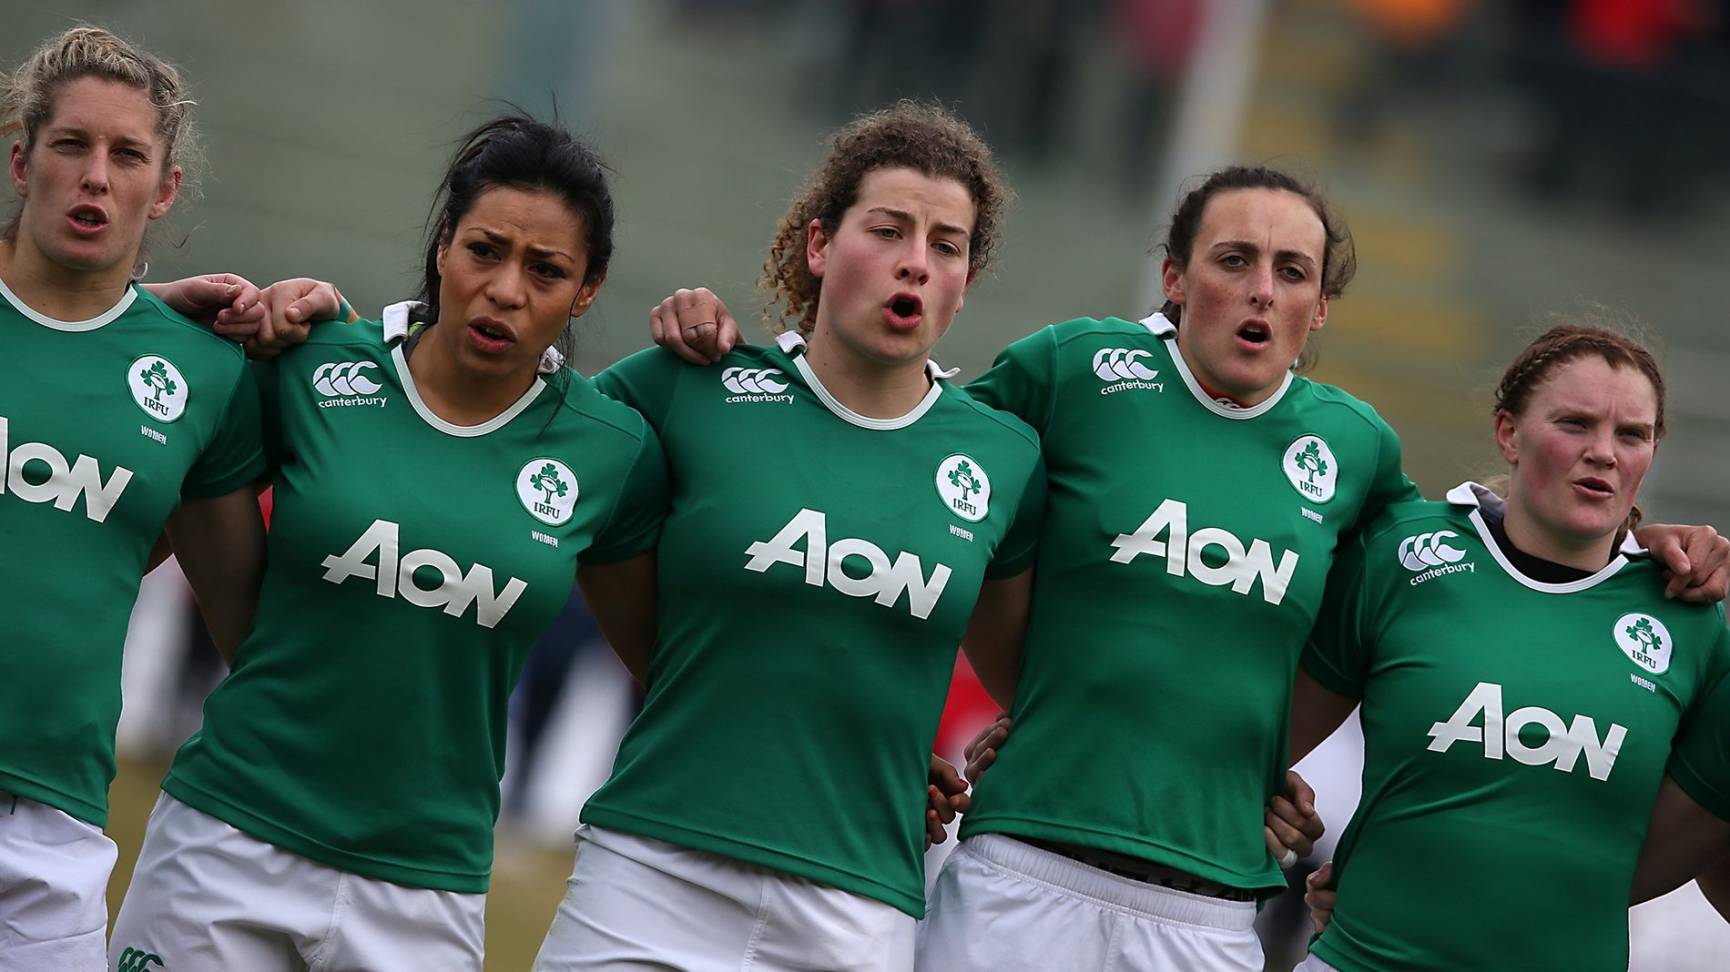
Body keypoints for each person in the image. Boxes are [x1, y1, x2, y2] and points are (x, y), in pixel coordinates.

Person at [648, 166, 1730, 971]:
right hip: (1023, 865)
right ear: (1173, 278)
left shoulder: (1354, 452)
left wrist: (1638, 537)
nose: (1260, 291)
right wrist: (755, 356)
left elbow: (1486, 564)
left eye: (1291, 273)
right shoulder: (1070, 369)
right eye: (1232, 261)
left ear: (1317, 313)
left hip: (1211, 910)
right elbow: (901, 444)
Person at [106, 114, 668, 972]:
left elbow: (672, 658)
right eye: (485, 250)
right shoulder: (310, 364)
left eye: (546, 270)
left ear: (587, 290)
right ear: (443, 245)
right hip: (227, 840)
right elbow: (145, 528)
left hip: (427, 889)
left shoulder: (612, 449)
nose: (506, 289)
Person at [528, 101, 1046, 972]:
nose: (914, 263)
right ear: (818, 246)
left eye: (946, 245)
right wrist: (323, 326)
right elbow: (501, 424)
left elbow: (1035, 667)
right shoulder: (691, 385)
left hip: (857, 908)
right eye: (887, 231)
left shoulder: (1004, 455)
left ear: (965, 277)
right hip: (651, 872)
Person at [1286, 323, 1730, 971]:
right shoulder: (1404, 555)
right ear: (1508, 433)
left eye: (1631, 434)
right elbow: (1266, 731)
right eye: (1575, 424)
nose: (1604, 452)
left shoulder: (1689, 618)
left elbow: (1707, 851)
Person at [0, 27, 266, 972]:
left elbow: (249, 625)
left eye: (127, 155)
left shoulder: (202, 374)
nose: (95, 177)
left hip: (50, 837)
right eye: (71, 145)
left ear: (164, 189)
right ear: (23, 156)